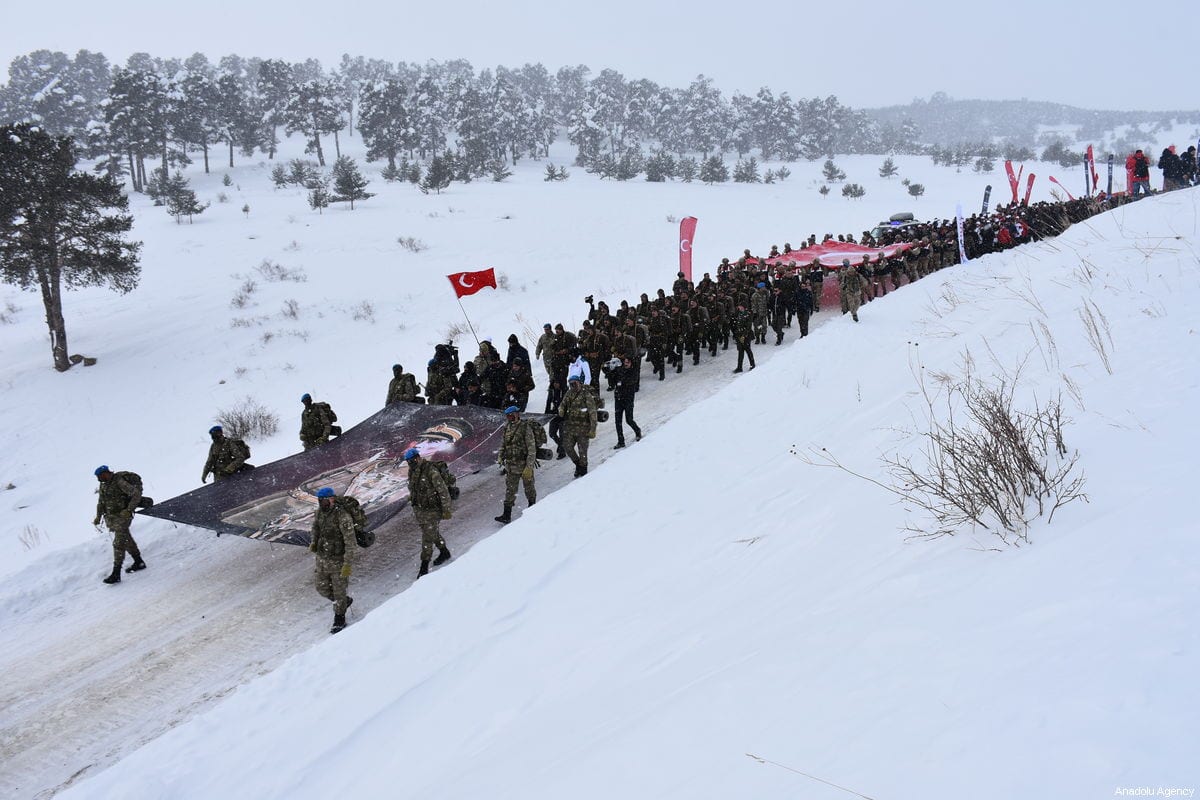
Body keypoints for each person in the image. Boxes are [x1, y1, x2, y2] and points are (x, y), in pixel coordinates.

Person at [309, 487, 356, 634]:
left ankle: (339, 617)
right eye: (320, 500)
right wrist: (314, 542)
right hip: (322, 558)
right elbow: (315, 528)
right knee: (321, 587)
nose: (321, 503)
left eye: (323, 500)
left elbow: (350, 542)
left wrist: (347, 564)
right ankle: (343, 602)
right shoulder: (319, 513)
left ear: (331, 499)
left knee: (339, 590)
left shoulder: (342, 516)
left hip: (337, 560)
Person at [403, 448, 453, 577]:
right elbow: (413, 488)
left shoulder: (431, 470)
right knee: (431, 532)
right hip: (420, 508)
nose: (410, 464)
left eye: (411, 461)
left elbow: (443, 491)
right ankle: (444, 552)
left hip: (433, 509)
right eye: (408, 462)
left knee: (427, 536)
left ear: (417, 457)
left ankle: (424, 567)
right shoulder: (412, 471)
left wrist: (446, 509)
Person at [93, 466, 146, 584]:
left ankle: (116, 573)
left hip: (123, 517)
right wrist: (98, 516)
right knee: (126, 539)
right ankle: (139, 561)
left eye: (99, 476)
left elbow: (136, 494)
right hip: (112, 518)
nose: (98, 479)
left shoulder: (119, 481)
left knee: (118, 543)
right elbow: (101, 502)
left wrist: (129, 510)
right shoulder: (104, 484)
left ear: (106, 473)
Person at [495, 406, 538, 523]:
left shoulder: (525, 427)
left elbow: (531, 448)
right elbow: (503, 444)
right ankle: (506, 515)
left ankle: (533, 509)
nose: (509, 418)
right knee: (510, 490)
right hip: (511, 465)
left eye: (511, 415)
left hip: (524, 464)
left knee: (529, 488)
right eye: (507, 416)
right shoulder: (507, 427)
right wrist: (500, 456)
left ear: (516, 414)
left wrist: (529, 467)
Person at [559, 375, 598, 477]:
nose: (573, 386)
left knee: (582, 452)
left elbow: (592, 412)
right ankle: (578, 465)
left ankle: (583, 471)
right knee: (568, 447)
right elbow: (563, 404)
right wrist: (561, 409)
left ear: (579, 383)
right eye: (571, 384)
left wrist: (593, 429)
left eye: (575, 383)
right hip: (570, 427)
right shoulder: (569, 394)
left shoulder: (586, 395)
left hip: (583, 428)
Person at [611, 356, 643, 449]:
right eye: (625, 362)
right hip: (618, 398)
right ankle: (621, 441)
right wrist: (612, 371)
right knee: (618, 421)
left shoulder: (633, 372)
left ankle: (637, 431)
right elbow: (613, 380)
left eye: (628, 362)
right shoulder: (620, 370)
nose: (626, 364)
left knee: (629, 419)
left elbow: (630, 382)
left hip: (628, 399)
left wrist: (621, 380)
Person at [731, 301, 755, 373]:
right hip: (739, 334)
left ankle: (752, 364)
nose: (739, 307)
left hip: (746, 335)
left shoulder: (748, 314)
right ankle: (739, 367)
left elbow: (748, 326)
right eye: (739, 306)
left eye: (740, 306)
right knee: (740, 351)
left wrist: (744, 335)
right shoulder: (738, 313)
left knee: (748, 350)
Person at [838, 258, 862, 322]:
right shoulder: (842, 269)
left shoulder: (852, 270)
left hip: (851, 288)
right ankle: (847, 311)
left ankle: (851, 311)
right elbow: (840, 278)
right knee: (846, 300)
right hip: (846, 287)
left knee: (853, 301)